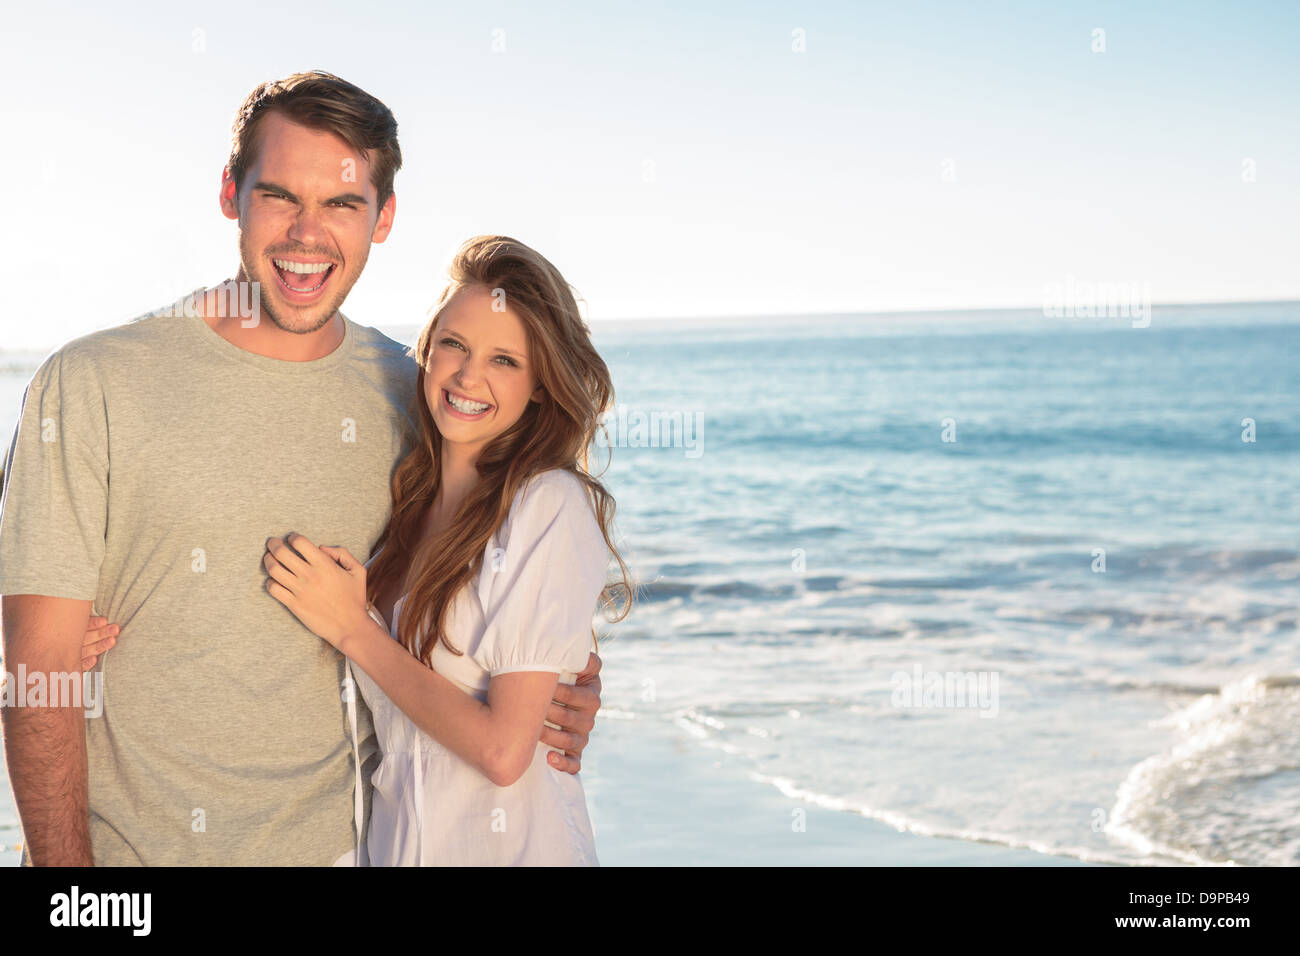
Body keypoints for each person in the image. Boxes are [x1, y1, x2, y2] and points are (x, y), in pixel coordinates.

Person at [0, 71, 603, 867]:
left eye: (343, 204)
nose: (306, 234)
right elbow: (34, 668)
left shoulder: (414, 393)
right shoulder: (93, 382)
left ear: (382, 217)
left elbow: (504, 583)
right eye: (280, 195)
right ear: (231, 195)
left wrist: (567, 688)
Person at [263, 235, 632, 865]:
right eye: (455, 345)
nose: (468, 376)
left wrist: (354, 629)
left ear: (541, 384)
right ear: (427, 350)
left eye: (505, 361)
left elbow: (503, 753)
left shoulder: (548, 503)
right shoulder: (407, 503)